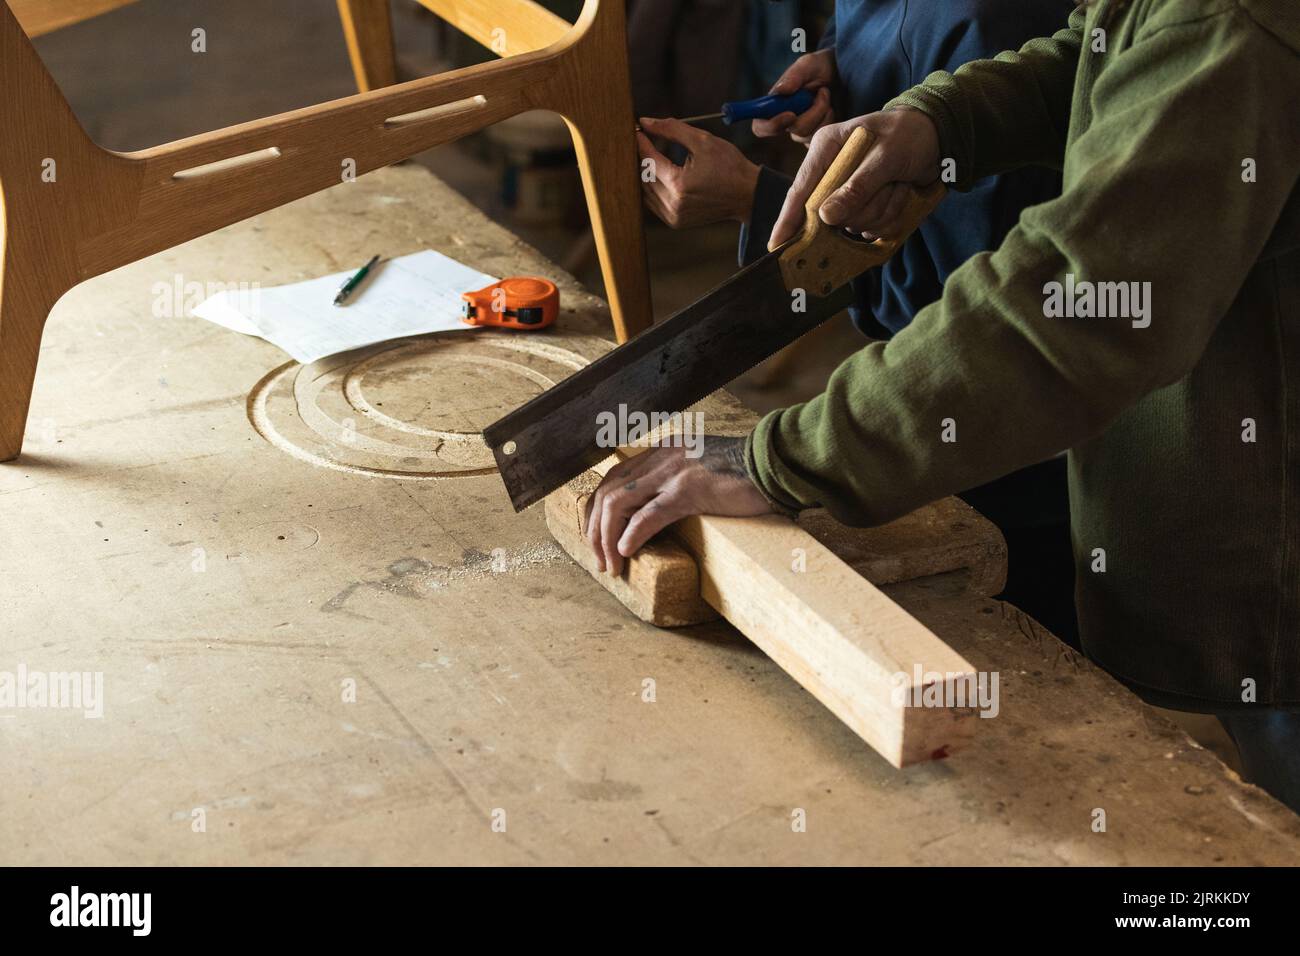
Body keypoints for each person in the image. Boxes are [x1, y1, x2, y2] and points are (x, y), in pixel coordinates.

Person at [591, 0, 1300, 810]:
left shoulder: (1237, 25)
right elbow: (1117, 43)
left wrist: (788, 459)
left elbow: (1072, 313)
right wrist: (942, 120)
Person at [636, 0, 1081, 642]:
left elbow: (955, 310)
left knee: (1015, 669)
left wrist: (755, 201)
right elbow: (877, 28)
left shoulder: (996, 25)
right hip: (936, 410)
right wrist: (842, 65)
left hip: (998, 442)